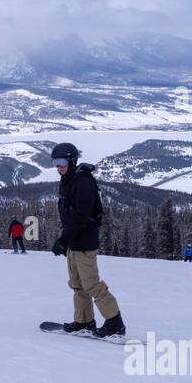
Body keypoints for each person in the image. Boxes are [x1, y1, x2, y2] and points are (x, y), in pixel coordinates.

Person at [49, 143, 125, 336]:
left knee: (91, 284)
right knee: (77, 284)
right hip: (74, 244)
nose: (58, 167)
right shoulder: (69, 180)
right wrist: (66, 240)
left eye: (61, 162)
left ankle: (115, 322)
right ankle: (84, 321)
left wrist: (63, 239)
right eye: (55, 163)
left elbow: (81, 217)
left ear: (72, 161)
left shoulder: (82, 182)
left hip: (84, 243)